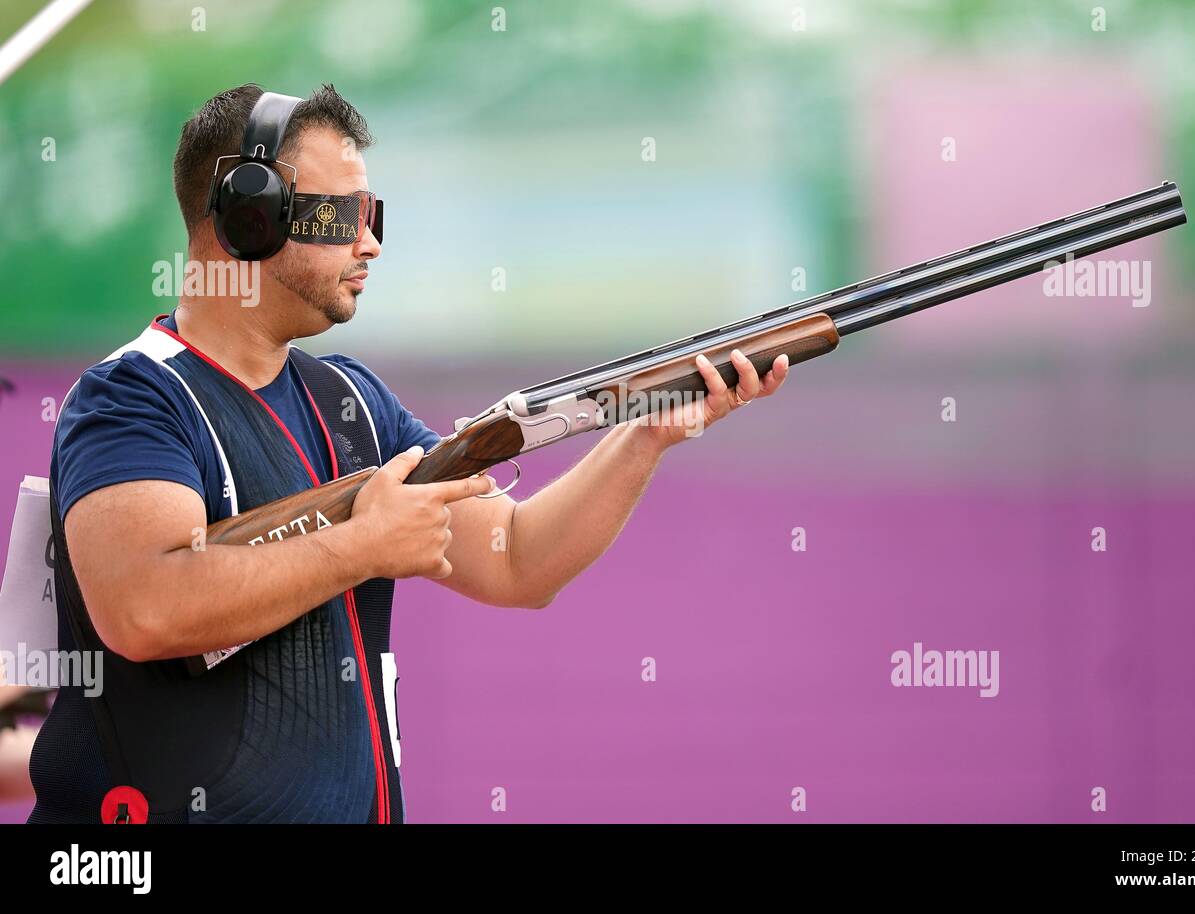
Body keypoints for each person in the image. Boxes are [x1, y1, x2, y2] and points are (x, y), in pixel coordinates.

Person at [27, 84, 790, 823]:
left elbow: (517, 558)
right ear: (247, 216)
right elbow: (145, 610)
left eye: (374, 214)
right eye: (344, 216)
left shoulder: (351, 402)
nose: (371, 242)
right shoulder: (132, 397)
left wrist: (644, 433)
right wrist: (361, 545)